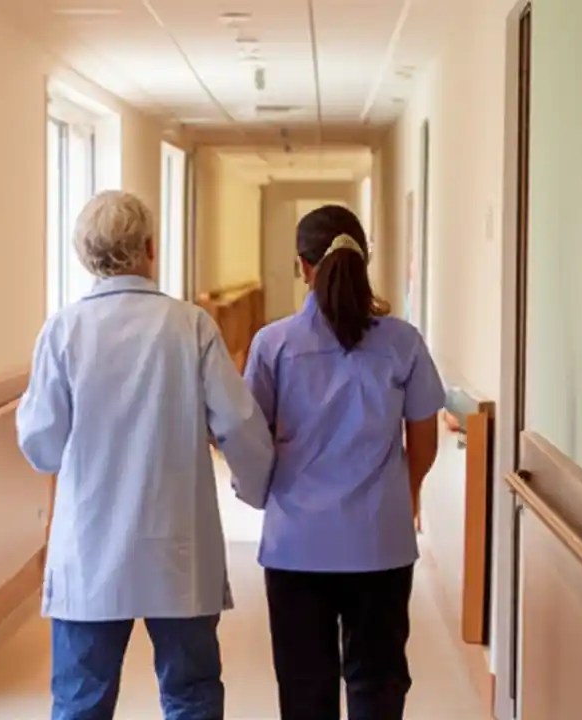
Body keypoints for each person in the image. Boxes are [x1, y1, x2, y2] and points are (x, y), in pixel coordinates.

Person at [17, 190, 275, 720]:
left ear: (84, 254)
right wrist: (257, 489)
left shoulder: (63, 330)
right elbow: (239, 422)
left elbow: (42, 446)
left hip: (90, 548)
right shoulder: (191, 325)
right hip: (177, 548)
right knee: (191, 695)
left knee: (82, 701)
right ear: (150, 248)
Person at [243, 204, 443, 720]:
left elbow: (250, 438)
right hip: (380, 541)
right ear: (365, 259)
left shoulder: (274, 344)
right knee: (377, 682)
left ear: (301, 266)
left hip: (296, 546)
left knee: (305, 687)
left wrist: (264, 493)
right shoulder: (402, 342)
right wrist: (408, 494)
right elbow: (422, 441)